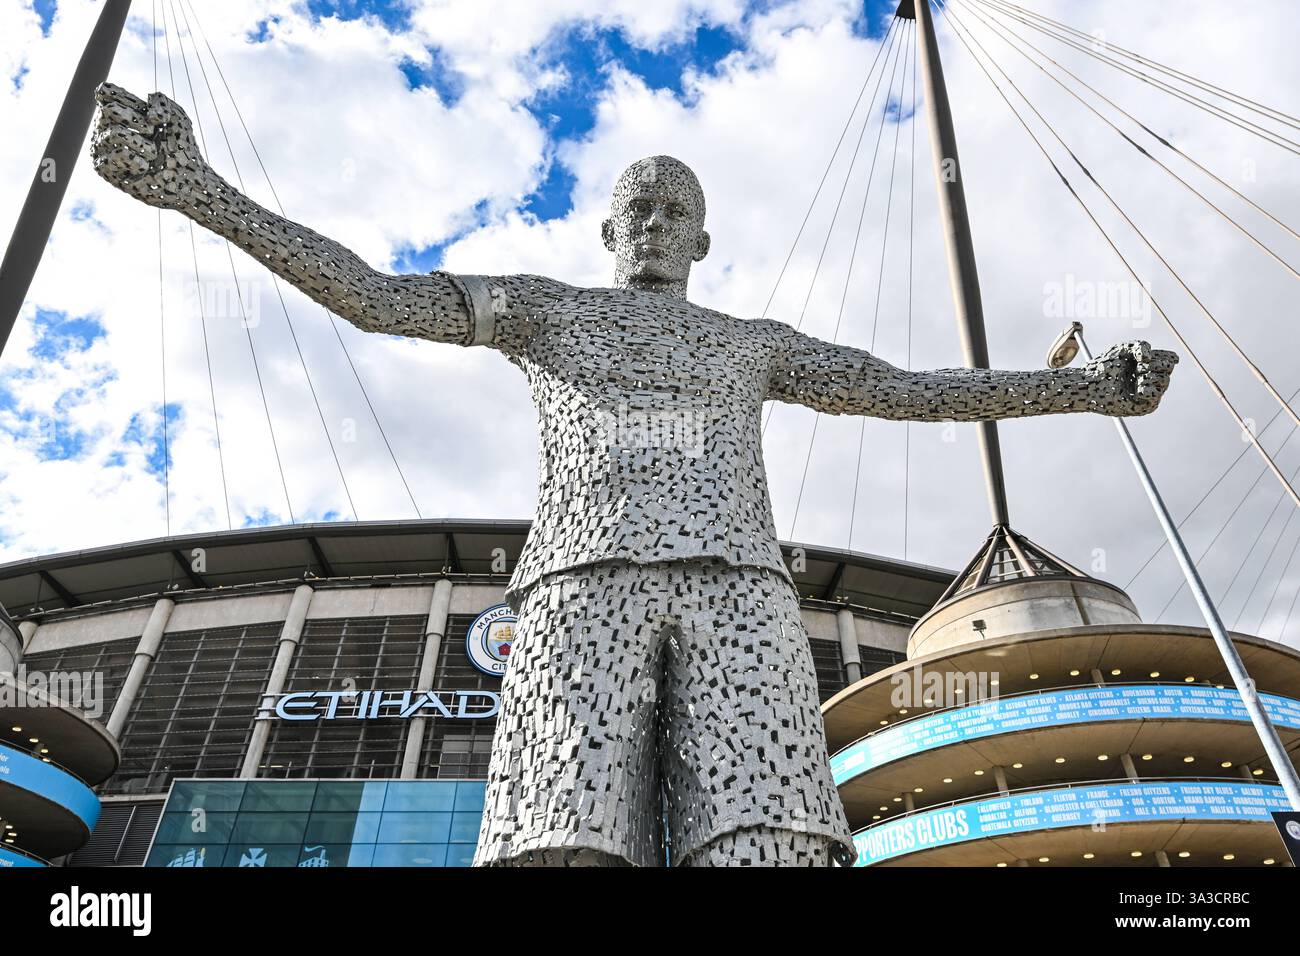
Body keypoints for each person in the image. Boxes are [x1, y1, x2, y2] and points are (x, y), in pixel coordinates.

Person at [90, 82, 1177, 866]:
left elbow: (907, 389)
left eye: (678, 212)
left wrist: (1079, 391)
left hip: (741, 590)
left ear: (703, 241)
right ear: (607, 228)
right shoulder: (544, 309)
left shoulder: (753, 341)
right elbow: (376, 295)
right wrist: (198, 190)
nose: (657, 224)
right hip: (579, 586)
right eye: (640, 209)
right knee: (556, 832)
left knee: (776, 836)